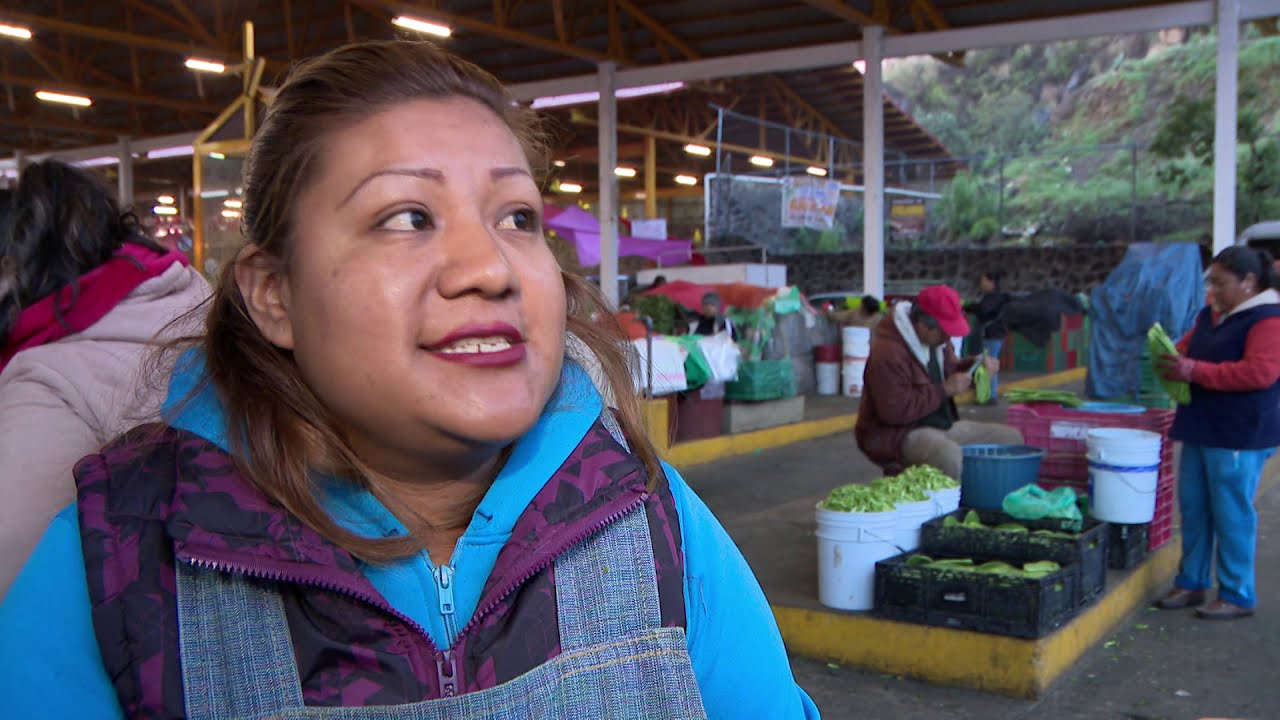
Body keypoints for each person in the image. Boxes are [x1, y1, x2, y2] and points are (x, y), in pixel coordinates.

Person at [0, 41, 819, 719]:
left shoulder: (650, 518)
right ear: (273, 294)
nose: (489, 268)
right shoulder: (119, 556)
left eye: (517, 218)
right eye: (406, 217)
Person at [0, 160, 209, 596]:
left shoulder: (46, 389)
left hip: (127, 636)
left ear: (11, 272)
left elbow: (12, 570)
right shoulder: (188, 293)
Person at [1152, 246, 1280, 620]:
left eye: (1221, 284)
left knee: (1231, 512)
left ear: (1249, 282)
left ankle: (1237, 593)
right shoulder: (1212, 315)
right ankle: (1190, 581)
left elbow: (1260, 373)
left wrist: (1195, 371)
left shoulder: (1268, 320)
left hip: (1240, 432)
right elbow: (1188, 347)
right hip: (1201, 425)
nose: (1214, 291)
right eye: (1212, 283)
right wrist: (1172, 357)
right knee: (1194, 507)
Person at [855, 284, 1022, 481]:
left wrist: (976, 368)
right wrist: (944, 389)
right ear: (922, 325)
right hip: (898, 434)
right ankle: (948, 508)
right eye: (943, 332)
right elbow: (894, 412)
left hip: (940, 425)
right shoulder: (888, 352)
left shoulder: (938, 342)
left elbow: (951, 370)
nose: (948, 338)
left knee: (1010, 439)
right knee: (947, 455)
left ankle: (980, 501)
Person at [965, 271, 1011, 403]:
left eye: (983, 280)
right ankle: (988, 394)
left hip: (991, 335)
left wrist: (967, 306)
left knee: (988, 364)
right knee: (989, 363)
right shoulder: (998, 297)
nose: (981, 283)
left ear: (992, 282)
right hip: (994, 335)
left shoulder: (993, 298)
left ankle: (989, 396)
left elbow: (983, 309)